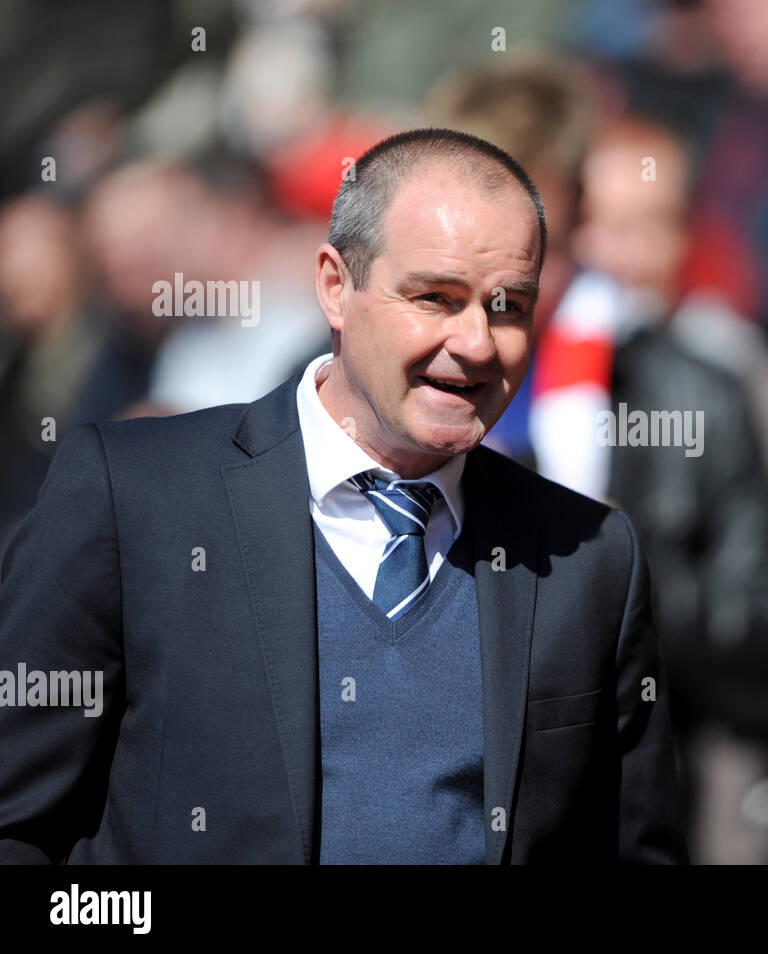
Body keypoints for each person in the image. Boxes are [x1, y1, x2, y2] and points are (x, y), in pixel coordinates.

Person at [0, 128, 686, 865]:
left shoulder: (587, 558)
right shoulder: (135, 497)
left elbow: (635, 848)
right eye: (435, 297)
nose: (478, 342)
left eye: (509, 305)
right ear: (335, 284)